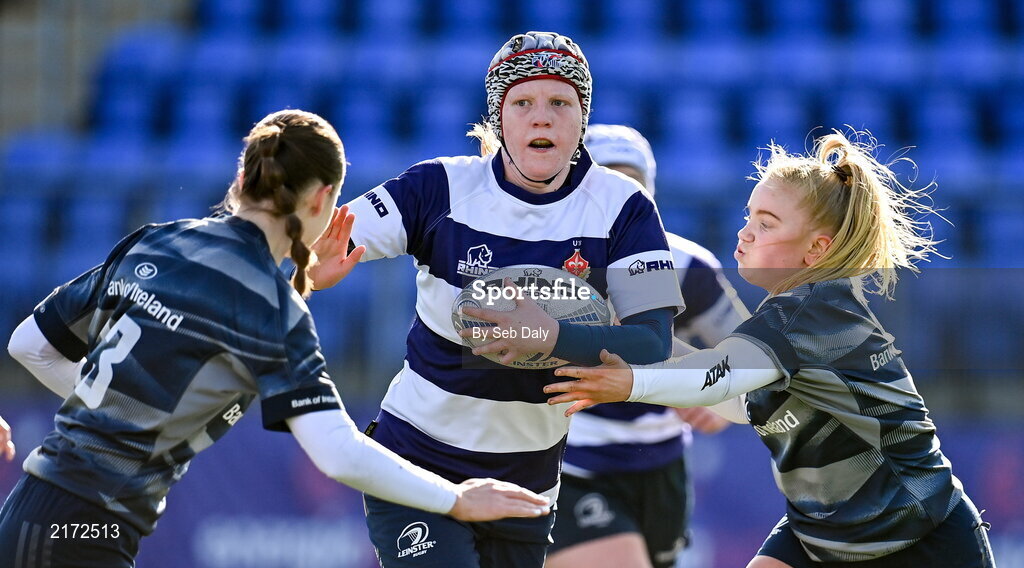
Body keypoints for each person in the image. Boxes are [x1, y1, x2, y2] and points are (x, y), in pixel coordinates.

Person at [0, 110, 551, 567]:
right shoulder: (271, 307)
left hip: (35, 510)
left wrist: (118, 407)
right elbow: (337, 453)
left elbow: (30, 344)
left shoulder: (158, 241)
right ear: (323, 200)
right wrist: (454, 498)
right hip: (82, 533)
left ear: (242, 180)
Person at [309, 32, 685, 567]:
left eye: (561, 102)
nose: (542, 117)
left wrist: (553, 337)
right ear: (498, 118)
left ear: (582, 118)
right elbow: (330, 238)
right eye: (522, 102)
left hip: (528, 484)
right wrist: (313, 266)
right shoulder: (437, 187)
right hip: (415, 461)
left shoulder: (626, 208)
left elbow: (652, 343)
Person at [545, 130, 996, 568]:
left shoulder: (809, 313)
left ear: (816, 249)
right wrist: (634, 341)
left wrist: (631, 380)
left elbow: (713, 378)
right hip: (823, 531)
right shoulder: (792, 310)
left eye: (766, 224)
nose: (745, 233)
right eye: (748, 217)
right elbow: (741, 401)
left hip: (919, 534)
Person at [546, 124, 750, 568]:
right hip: (565, 462)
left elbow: (751, 362)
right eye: (605, 187)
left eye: (632, 189)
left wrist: (720, 398)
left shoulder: (688, 267)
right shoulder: (538, 267)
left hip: (661, 467)